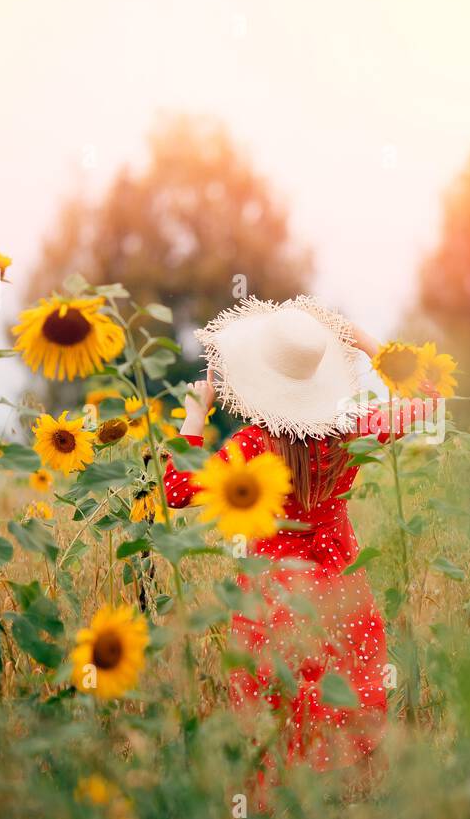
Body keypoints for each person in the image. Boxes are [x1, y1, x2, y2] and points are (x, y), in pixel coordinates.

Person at [164, 296, 432, 780]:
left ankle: (283, 817)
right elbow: (427, 401)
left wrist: (194, 412)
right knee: (342, 709)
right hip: (342, 595)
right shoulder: (351, 431)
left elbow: (177, 490)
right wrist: (367, 342)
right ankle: (346, 808)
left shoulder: (251, 447)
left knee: (278, 718)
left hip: (273, 600)